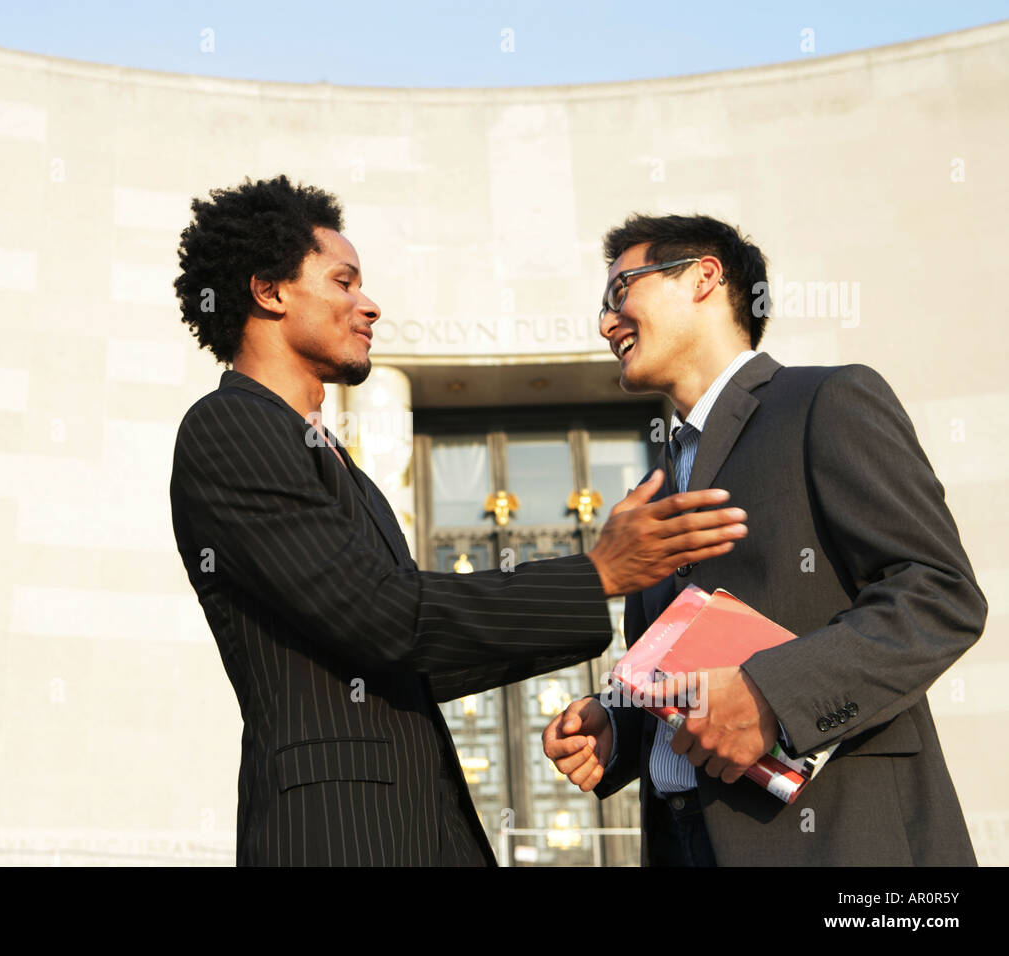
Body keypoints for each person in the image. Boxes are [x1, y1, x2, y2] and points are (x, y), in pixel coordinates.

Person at [169, 177, 749, 866]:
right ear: (271, 292)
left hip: (420, 824)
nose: (368, 305)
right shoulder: (229, 427)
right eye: (344, 281)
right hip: (336, 831)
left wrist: (615, 717)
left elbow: (405, 659)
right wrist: (596, 575)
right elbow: (387, 619)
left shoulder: (336, 463)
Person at [543, 213, 985, 866]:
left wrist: (772, 697)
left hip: (839, 839)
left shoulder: (826, 401)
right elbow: (679, 662)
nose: (607, 324)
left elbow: (940, 595)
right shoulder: (655, 482)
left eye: (621, 292)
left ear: (703, 276)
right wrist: (622, 726)